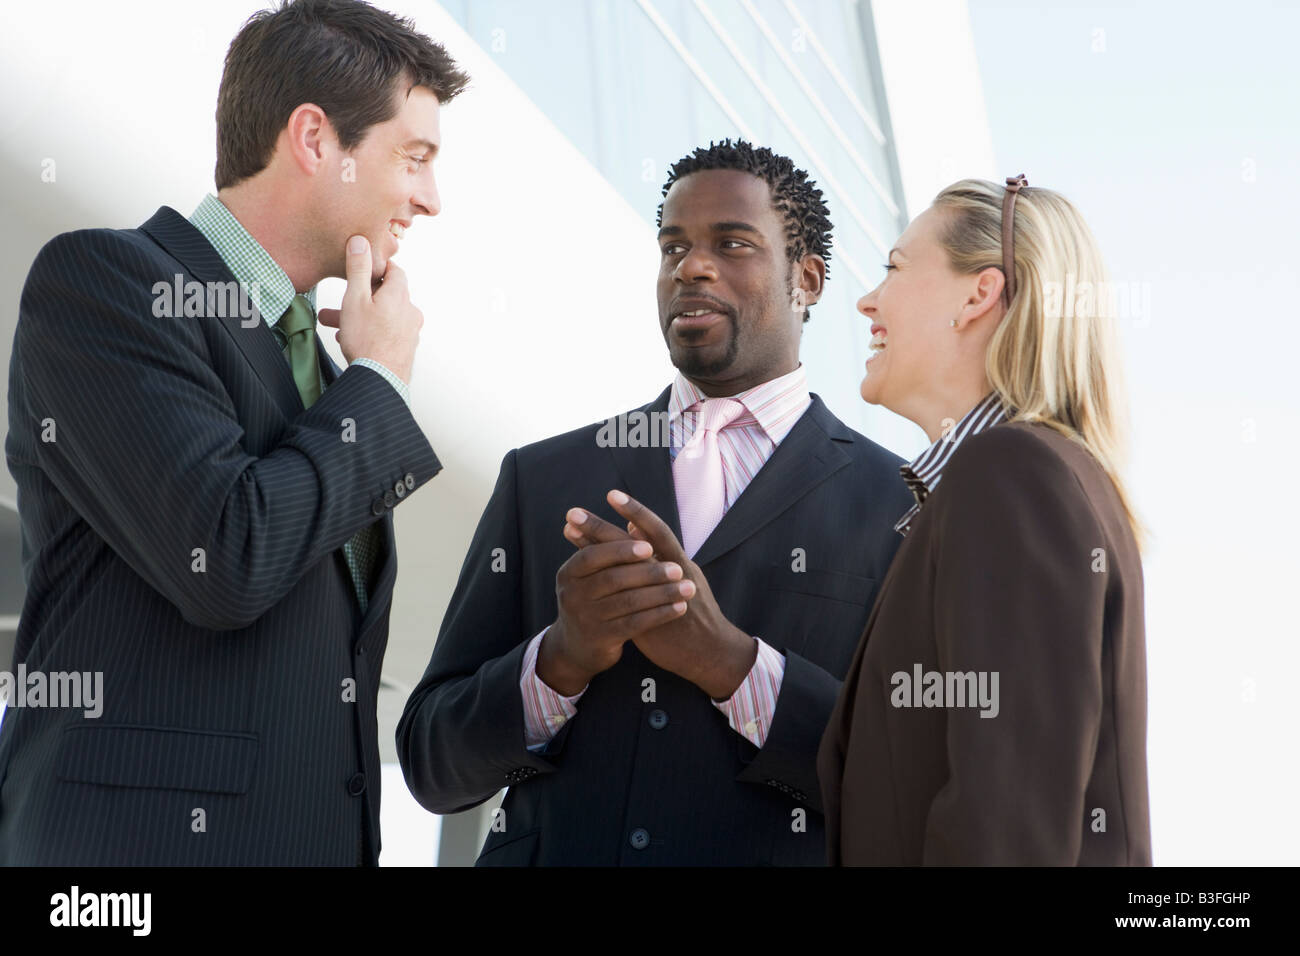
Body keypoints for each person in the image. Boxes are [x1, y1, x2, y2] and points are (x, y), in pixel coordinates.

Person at [0, 0, 468, 865]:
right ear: (315, 139)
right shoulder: (110, 285)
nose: (430, 199)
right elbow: (225, 555)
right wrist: (379, 386)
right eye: (415, 158)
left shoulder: (329, 378)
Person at [397, 140, 915, 865]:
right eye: (673, 246)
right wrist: (559, 661)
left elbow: (913, 786)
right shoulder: (543, 477)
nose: (691, 266)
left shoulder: (904, 507)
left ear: (808, 279)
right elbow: (432, 761)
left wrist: (732, 665)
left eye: (731, 244)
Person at [817, 175, 1151, 865]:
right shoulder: (1031, 478)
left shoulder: (1012, 477)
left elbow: (1006, 832)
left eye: (895, 268)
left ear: (978, 295)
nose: (867, 299)